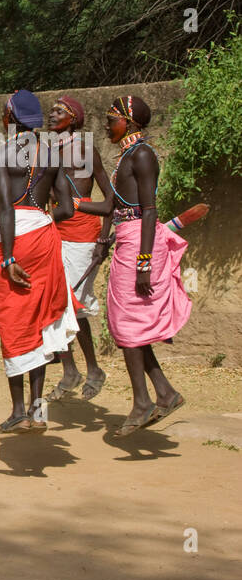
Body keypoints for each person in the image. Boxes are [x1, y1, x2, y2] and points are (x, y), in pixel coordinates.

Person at [0, 90, 79, 433]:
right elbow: (67, 209)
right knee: (40, 323)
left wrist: (9, 257)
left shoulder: (0, 155)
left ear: (11, 118)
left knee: (13, 322)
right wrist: (42, 218)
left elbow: (5, 209)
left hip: (13, 241)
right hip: (43, 236)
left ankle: (17, 412)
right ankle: (38, 411)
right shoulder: (53, 155)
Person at [100, 96, 191, 436]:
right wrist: (72, 204)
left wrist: (144, 263)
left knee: (128, 327)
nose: (107, 125)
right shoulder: (125, 156)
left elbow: (149, 210)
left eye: (112, 119)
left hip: (140, 243)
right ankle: (164, 394)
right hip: (127, 239)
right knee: (129, 327)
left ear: (130, 122)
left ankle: (142, 403)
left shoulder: (141, 155)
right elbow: (111, 206)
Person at [44, 95, 113, 402]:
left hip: (84, 234)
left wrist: (103, 240)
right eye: (51, 109)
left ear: (73, 118)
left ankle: (94, 368)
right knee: (58, 302)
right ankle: (70, 370)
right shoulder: (46, 151)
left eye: (59, 111)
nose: (51, 114)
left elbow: (111, 201)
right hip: (54, 229)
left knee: (75, 305)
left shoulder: (85, 149)